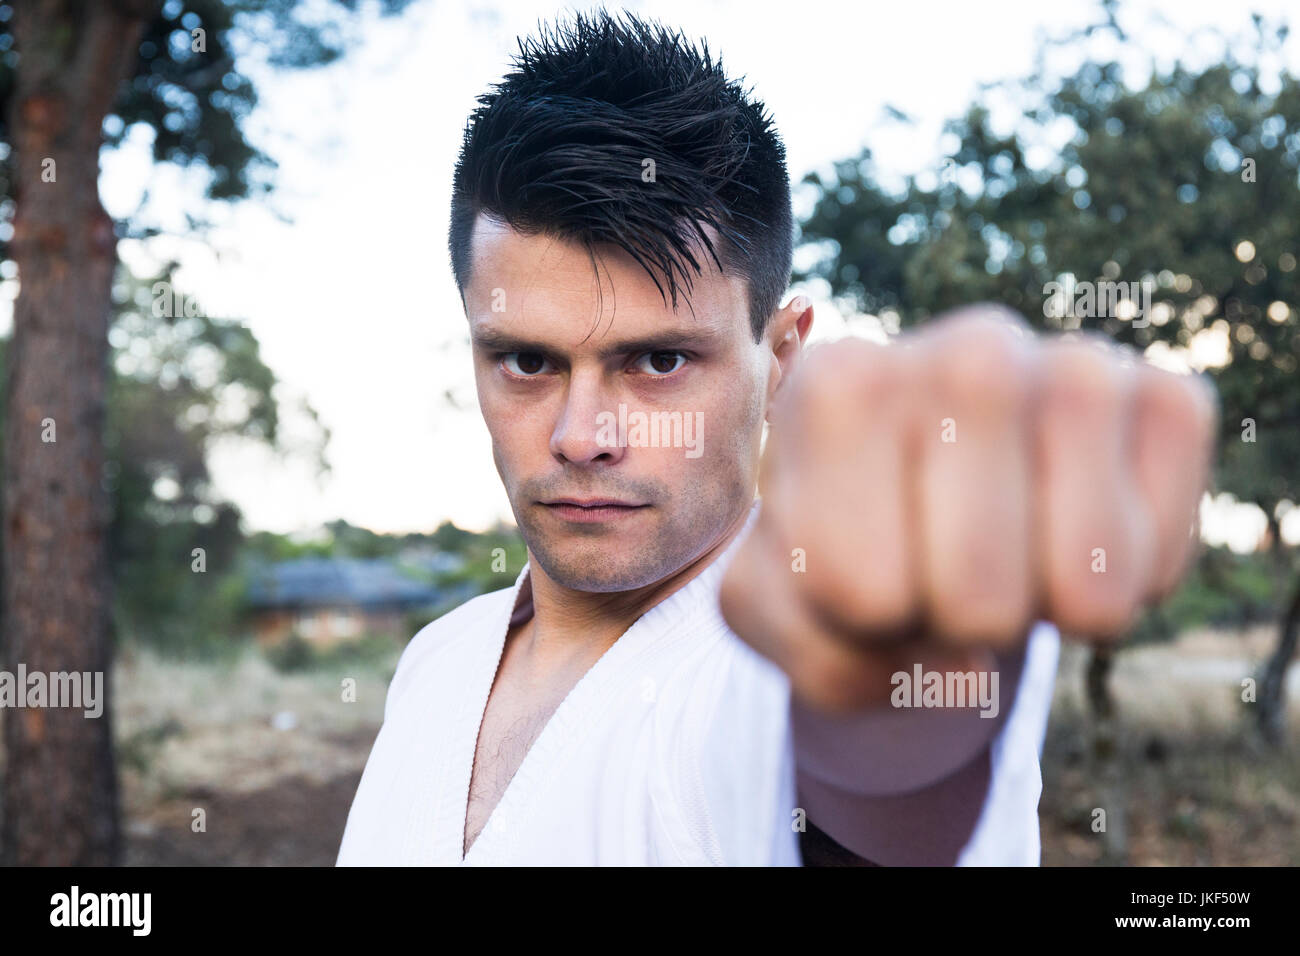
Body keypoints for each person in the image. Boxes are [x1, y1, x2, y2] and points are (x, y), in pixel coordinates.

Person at [336, 11, 1216, 866]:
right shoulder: (437, 660)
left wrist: (897, 663)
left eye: (659, 359)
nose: (581, 436)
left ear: (783, 354)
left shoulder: (755, 678)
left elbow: (867, 767)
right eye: (527, 360)